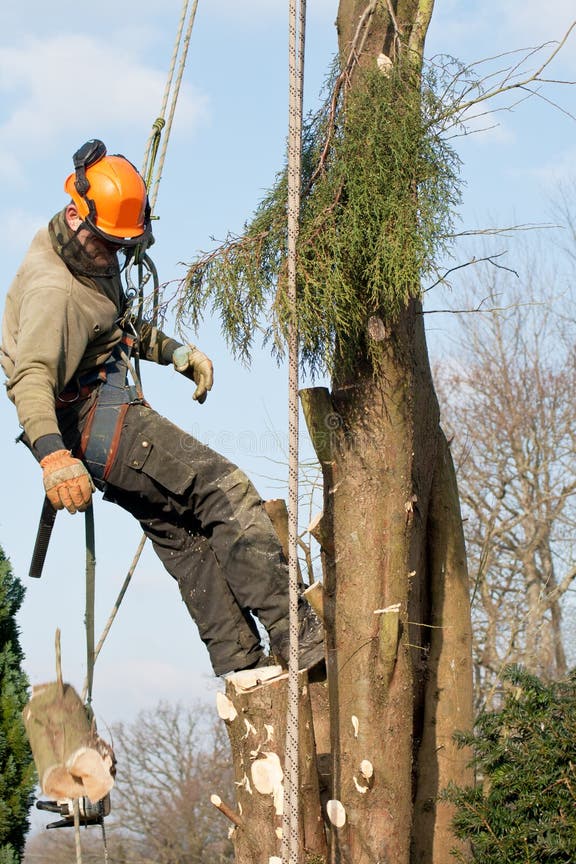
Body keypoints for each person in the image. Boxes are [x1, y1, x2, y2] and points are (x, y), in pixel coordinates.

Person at [1, 139, 324, 682]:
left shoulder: (87, 252)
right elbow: (30, 376)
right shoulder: (54, 290)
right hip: (97, 425)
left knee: (183, 532)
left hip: (101, 426)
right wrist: (51, 456)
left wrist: (176, 353)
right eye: (109, 247)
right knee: (223, 488)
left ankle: (243, 667)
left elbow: (115, 324)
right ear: (79, 218)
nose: (116, 258)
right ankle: (298, 633)